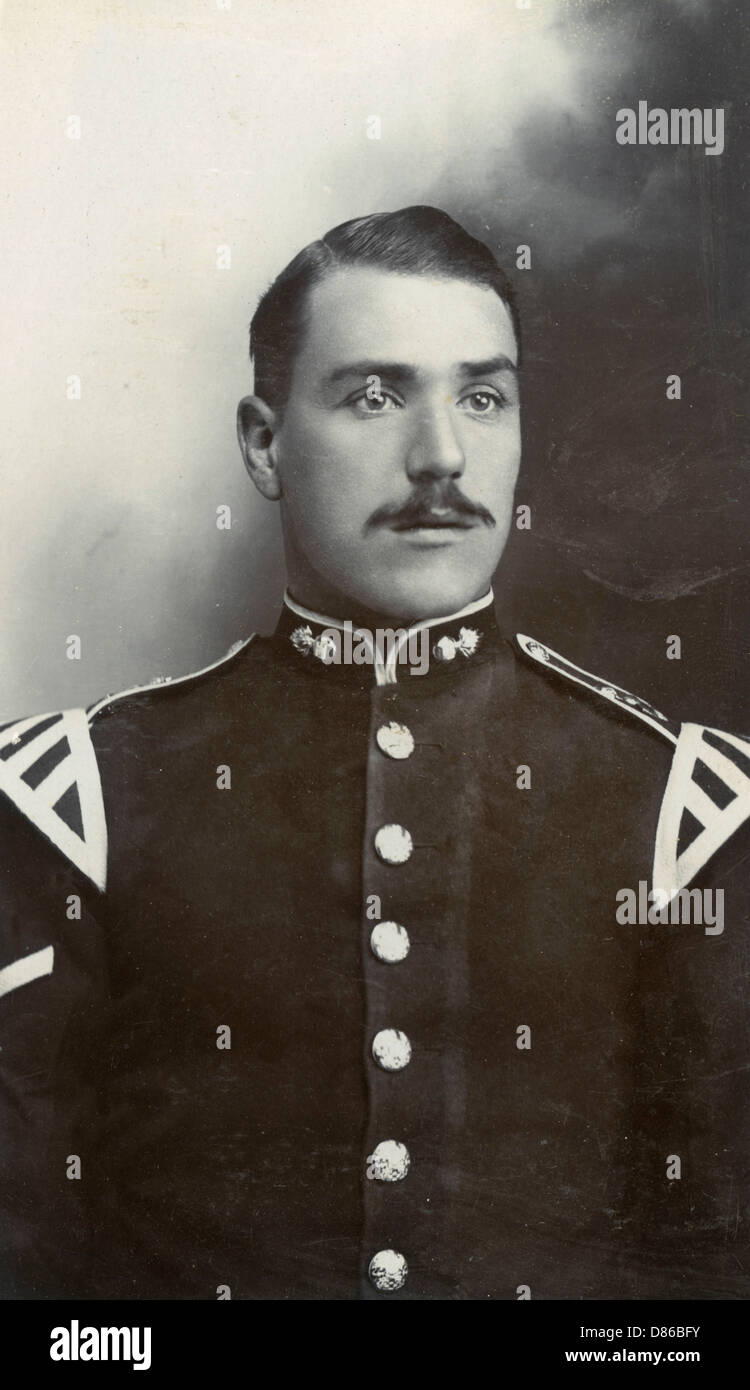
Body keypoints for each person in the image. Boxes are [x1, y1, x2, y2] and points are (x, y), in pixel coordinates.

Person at [1, 206, 748, 1301]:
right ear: (264, 443)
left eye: (482, 397)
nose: (442, 455)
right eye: (375, 394)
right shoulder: (79, 803)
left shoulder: (680, 809)